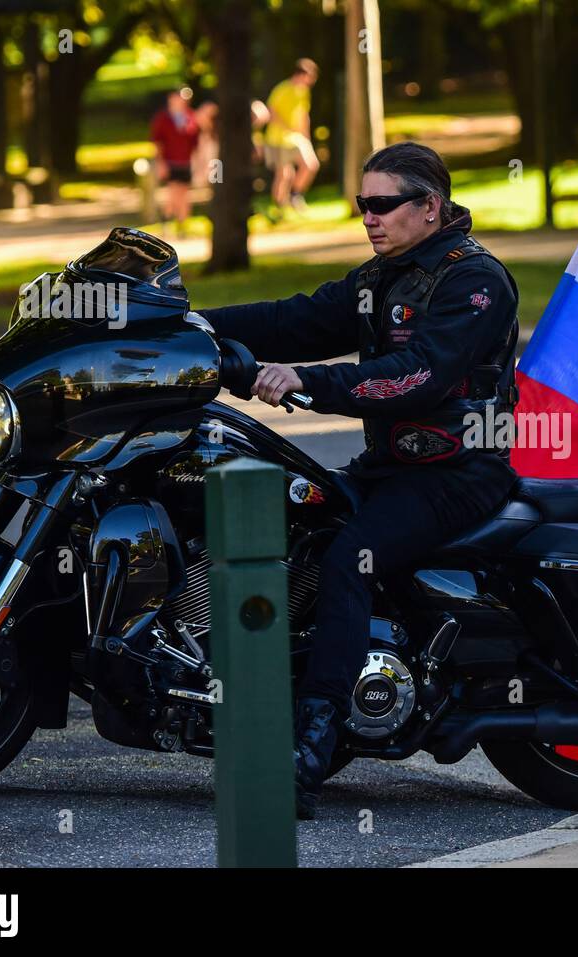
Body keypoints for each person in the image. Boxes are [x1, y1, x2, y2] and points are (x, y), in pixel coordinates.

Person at [200, 142, 520, 819]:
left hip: (458, 471)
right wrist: (191, 325)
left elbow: (418, 374)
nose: (369, 218)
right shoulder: (384, 274)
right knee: (299, 524)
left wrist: (307, 383)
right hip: (392, 467)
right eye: (361, 206)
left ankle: (309, 751)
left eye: (382, 205)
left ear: (429, 206)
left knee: (351, 559)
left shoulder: (474, 280)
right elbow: (297, 317)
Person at [263, 58, 321, 219]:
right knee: (284, 175)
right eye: (310, 76)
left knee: (311, 165)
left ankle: (295, 195)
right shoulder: (282, 89)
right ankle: (278, 210)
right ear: (301, 74)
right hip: (277, 139)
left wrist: (306, 136)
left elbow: (303, 115)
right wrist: (287, 128)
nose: (311, 81)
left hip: (296, 138)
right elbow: (271, 112)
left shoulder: (303, 92)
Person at [149, 88, 200, 235]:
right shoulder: (163, 119)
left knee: (184, 194)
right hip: (170, 161)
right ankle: (167, 222)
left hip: (186, 161)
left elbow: (195, 141)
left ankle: (182, 225)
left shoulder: (190, 116)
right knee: (173, 193)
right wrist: (160, 163)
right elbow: (157, 143)